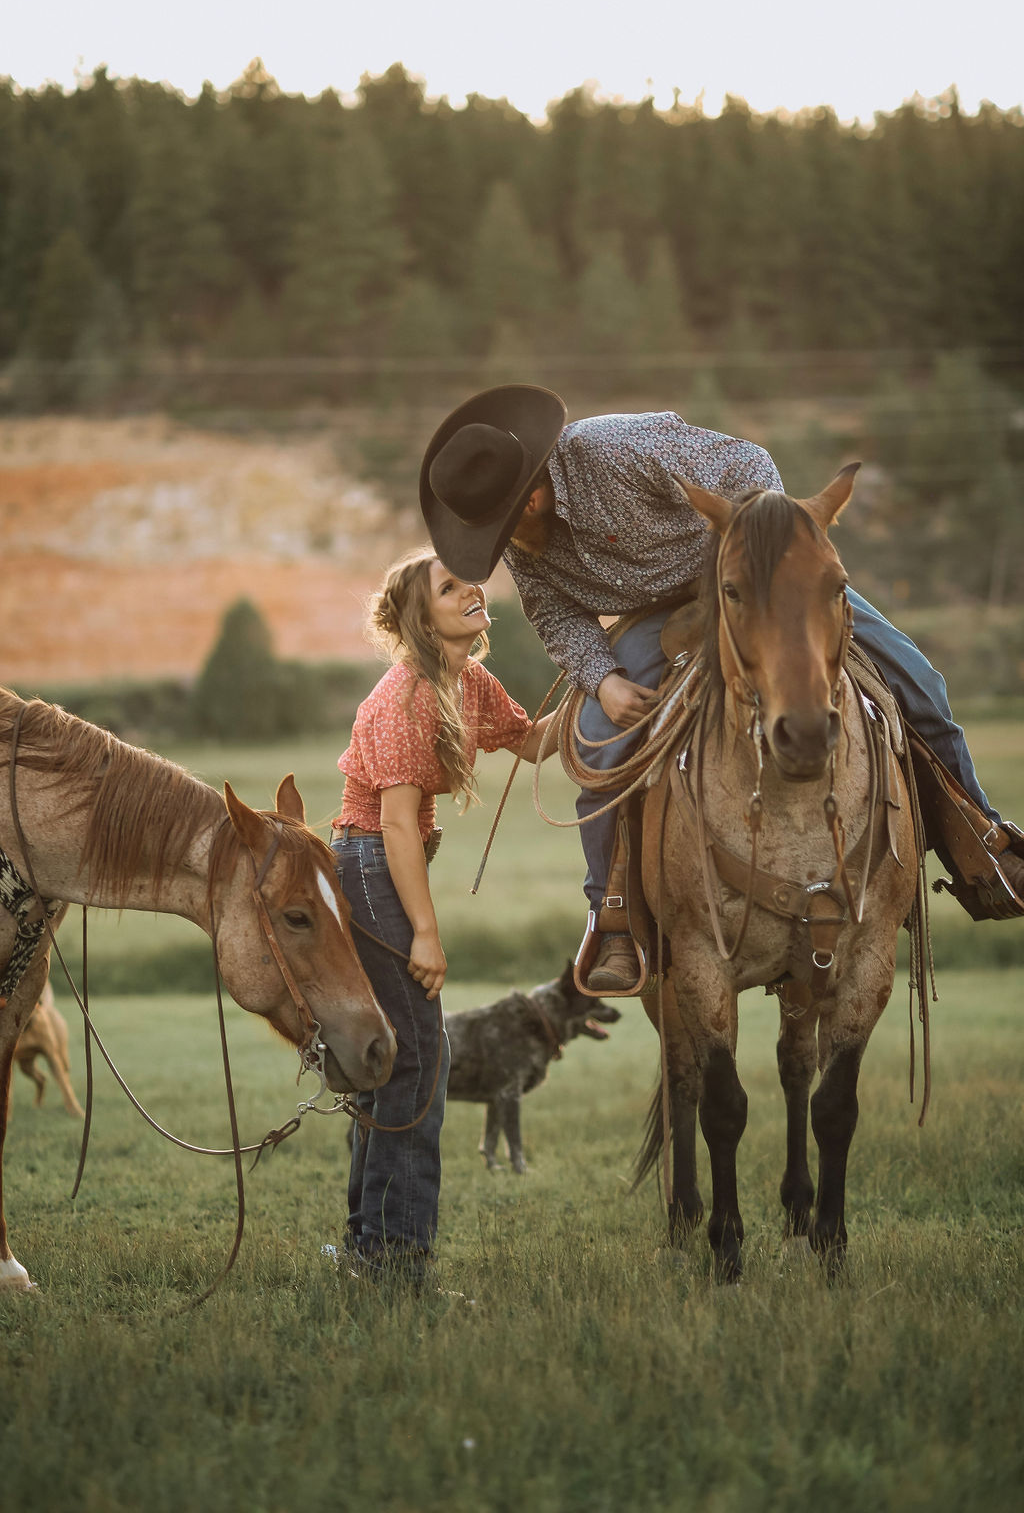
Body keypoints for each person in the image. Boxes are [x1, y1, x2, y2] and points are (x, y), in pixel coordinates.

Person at [420, 385, 1024, 994]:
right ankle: (615, 920)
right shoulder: (523, 544)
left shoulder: (616, 449)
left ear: (529, 496)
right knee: (600, 744)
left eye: (506, 525)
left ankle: (983, 844)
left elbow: (749, 464)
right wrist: (602, 682)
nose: (507, 546)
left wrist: (754, 557)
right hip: (656, 616)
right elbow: (556, 615)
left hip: (753, 577)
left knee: (921, 684)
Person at [331, 547, 556, 1290]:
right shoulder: (406, 696)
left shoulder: (469, 682)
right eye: (448, 587)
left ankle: (368, 1248)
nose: (471, 590)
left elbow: (534, 742)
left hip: (384, 865)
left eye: (469, 581)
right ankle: (393, 1260)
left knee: (392, 1061)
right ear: (419, 618)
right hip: (370, 865)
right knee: (421, 1061)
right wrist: (425, 933)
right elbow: (395, 826)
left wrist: (603, 690)